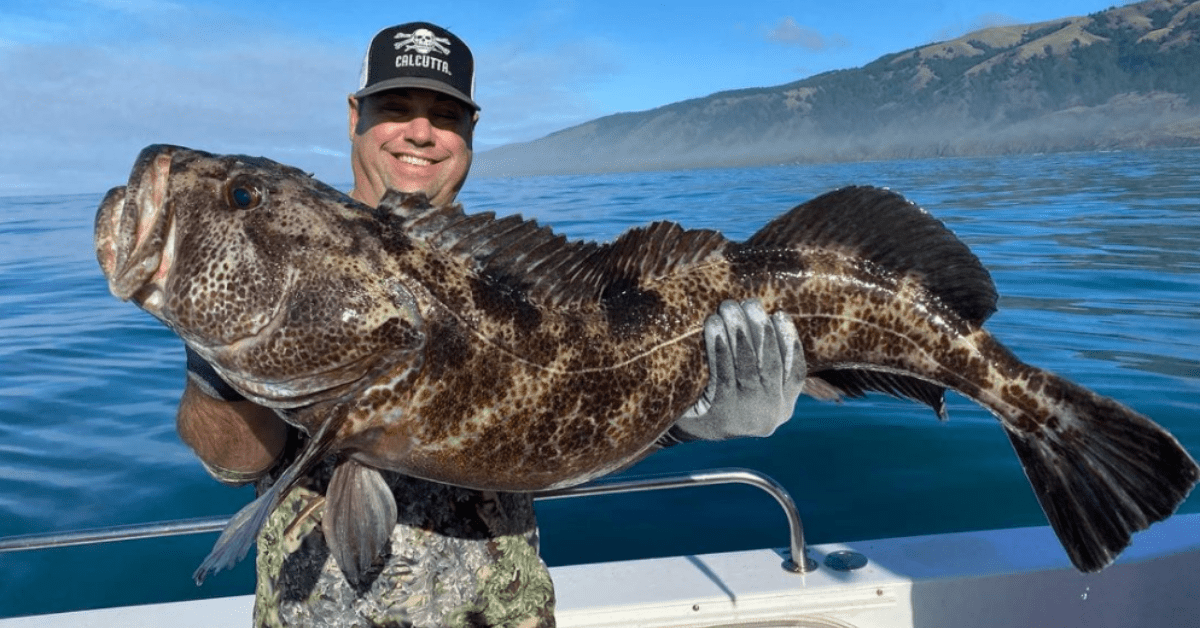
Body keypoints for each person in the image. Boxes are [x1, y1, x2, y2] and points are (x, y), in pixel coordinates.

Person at [177, 21, 807, 628]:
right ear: (355, 118)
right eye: (396, 107)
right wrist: (222, 360)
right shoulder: (278, 260)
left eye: (445, 116)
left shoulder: (521, 286)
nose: (421, 133)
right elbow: (234, 462)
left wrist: (696, 417)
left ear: (470, 132)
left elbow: (567, 427)